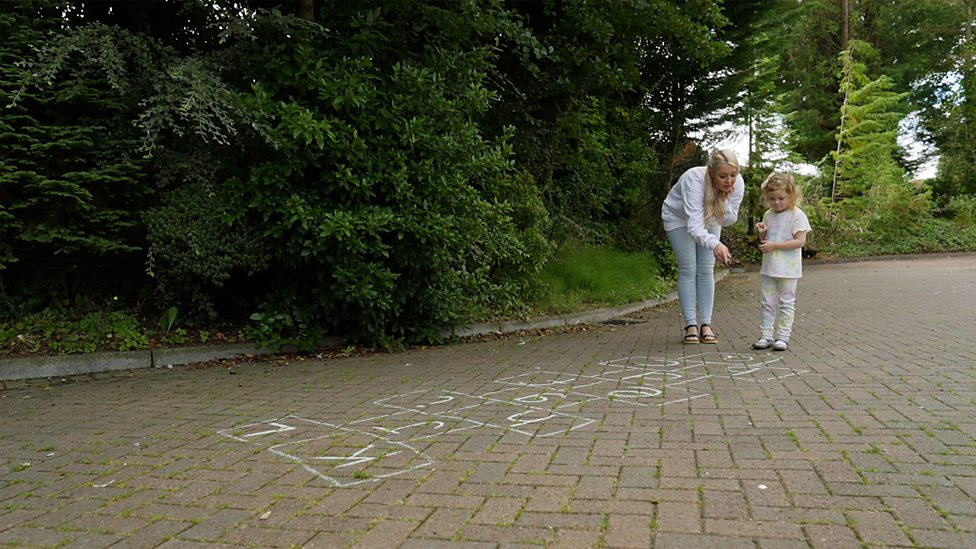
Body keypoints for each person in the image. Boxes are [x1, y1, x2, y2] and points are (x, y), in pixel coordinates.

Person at [661, 149, 745, 344]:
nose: (729, 181)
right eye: (723, 176)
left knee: (706, 269)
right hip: (679, 218)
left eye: (733, 175)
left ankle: (706, 324)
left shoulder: (737, 183)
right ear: (711, 173)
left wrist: (725, 199)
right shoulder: (694, 180)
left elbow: (729, 220)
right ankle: (691, 325)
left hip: (711, 216)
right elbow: (694, 227)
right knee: (689, 268)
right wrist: (716, 244)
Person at [751, 172, 811, 352]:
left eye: (781, 198)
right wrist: (762, 232)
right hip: (769, 267)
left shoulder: (797, 215)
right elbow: (766, 240)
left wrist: (775, 245)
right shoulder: (768, 214)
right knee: (767, 302)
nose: (776, 202)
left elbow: (800, 241)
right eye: (772, 199)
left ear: (791, 195)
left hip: (788, 270)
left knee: (786, 302)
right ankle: (766, 335)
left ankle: (783, 336)